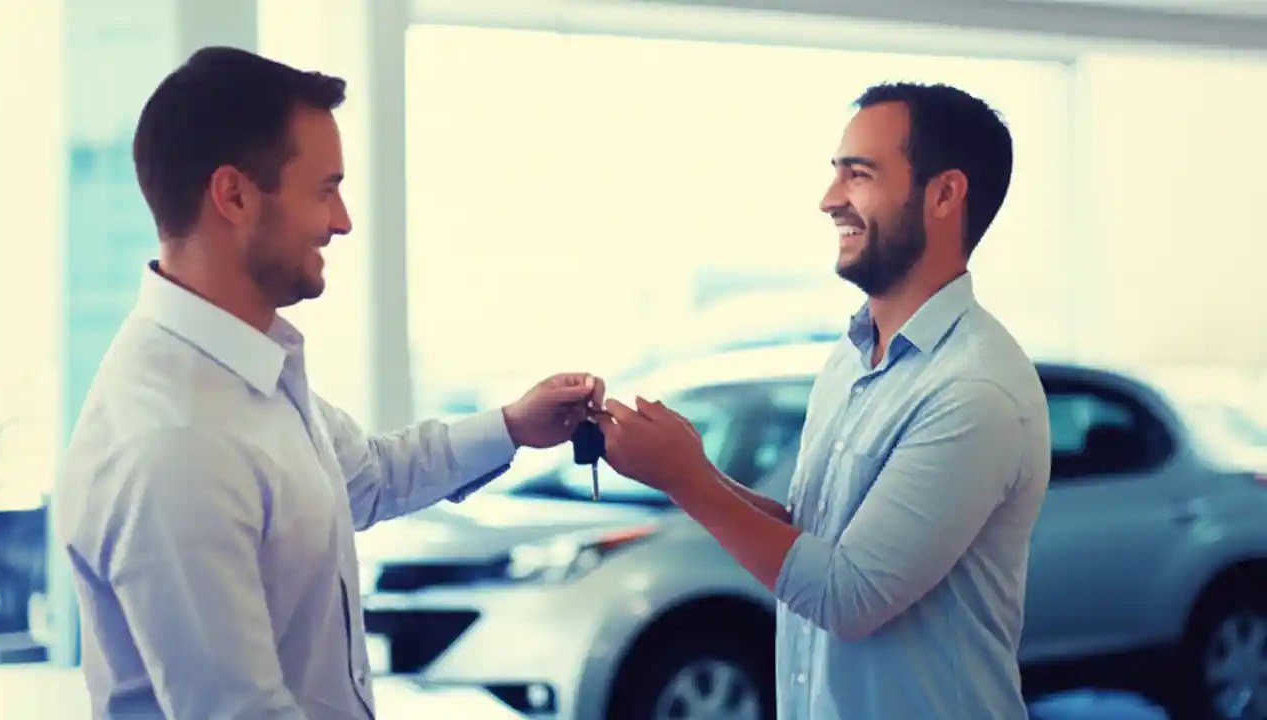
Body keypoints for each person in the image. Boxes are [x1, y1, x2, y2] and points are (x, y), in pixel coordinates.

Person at [54, 46, 605, 720]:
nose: (342, 220)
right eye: (325, 189)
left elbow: (368, 474)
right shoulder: (176, 441)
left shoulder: (241, 372)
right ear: (233, 195)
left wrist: (514, 426)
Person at [596, 82, 1052, 719]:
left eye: (859, 175)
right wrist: (680, 465)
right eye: (836, 174)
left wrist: (685, 476)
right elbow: (812, 537)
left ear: (944, 194)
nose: (829, 200)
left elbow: (847, 594)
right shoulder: (851, 356)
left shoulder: (975, 389)